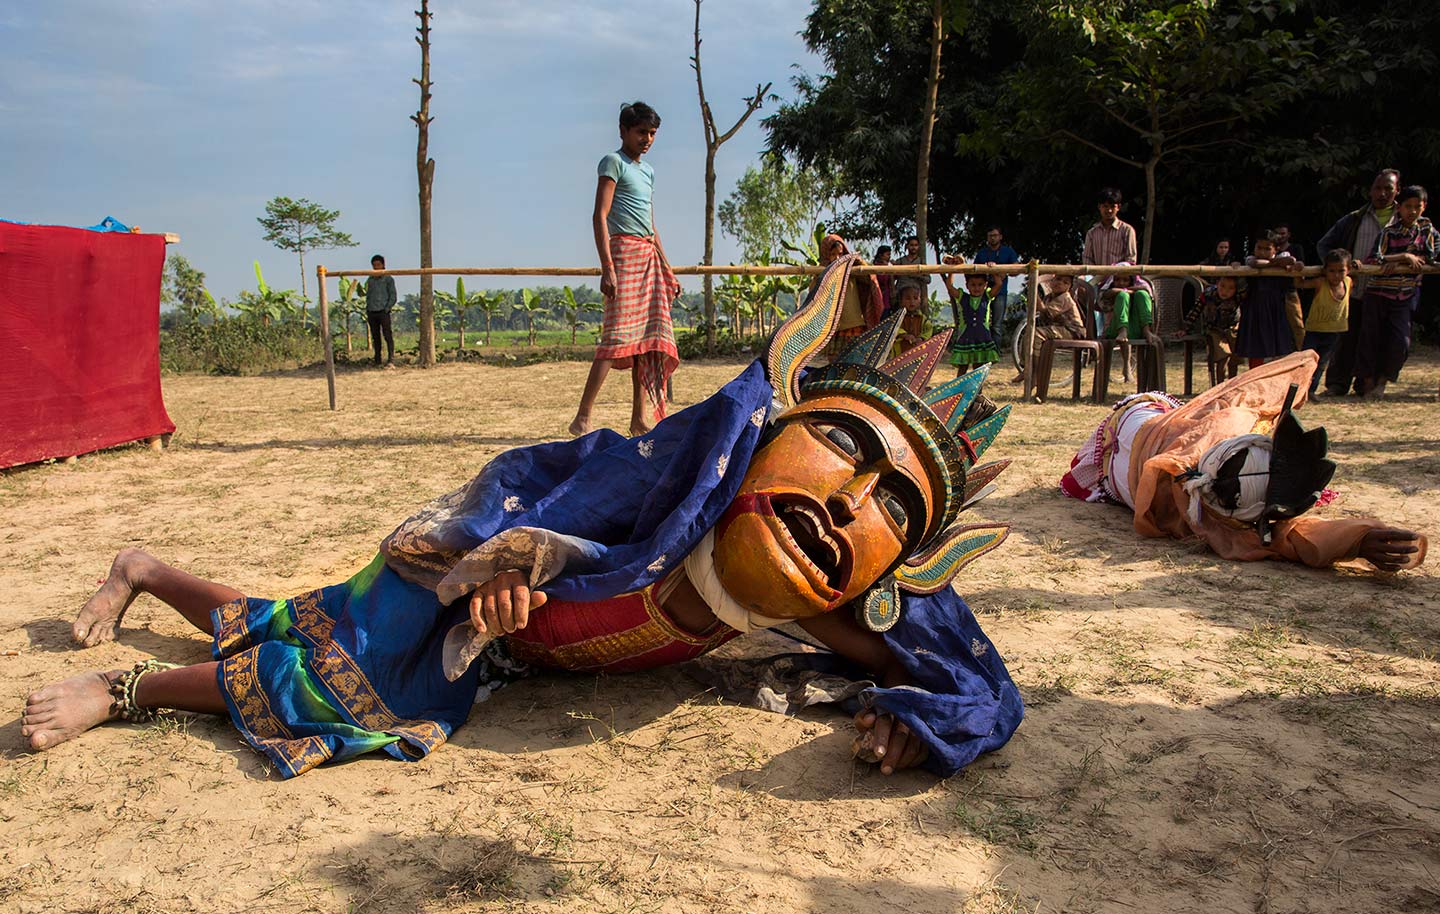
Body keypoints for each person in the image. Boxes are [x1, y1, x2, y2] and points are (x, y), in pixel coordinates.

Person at [22, 257, 1021, 782]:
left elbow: (963, 683)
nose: (847, 509)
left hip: (512, 650)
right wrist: (507, 574)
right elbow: (530, 497)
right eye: (846, 450)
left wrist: (916, 727)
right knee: (344, 674)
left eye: (894, 505)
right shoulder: (655, 493)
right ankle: (131, 688)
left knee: (292, 616)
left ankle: (146, 569)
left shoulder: (829, 605)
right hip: (449, 575)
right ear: (768, 432)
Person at [1059, 351, 1426, 571]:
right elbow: (1291, 535)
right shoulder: (1227, 525)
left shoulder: (1218, 511)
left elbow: (1289, 532)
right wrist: (1356, 540)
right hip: (1138, 427)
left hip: (1138, 426)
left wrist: (1360, 541)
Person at [570, 102, 680, 439]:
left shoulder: (647, 172)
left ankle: (639, 418)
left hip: (649, 257)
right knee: (615, 337)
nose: (647, 139)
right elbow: (599, 216)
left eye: (652, 134)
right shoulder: (613, 163)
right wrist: (608, 268)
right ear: (623, 131)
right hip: (623, 254)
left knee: (647, 342)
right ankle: (582, 417)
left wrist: (667, 266)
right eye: (641, 132)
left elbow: (651, 223)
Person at [1316, 168, 1401, 396]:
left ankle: (1366, 385)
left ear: (1397, 191)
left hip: (1387, 292)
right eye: (1378, 188)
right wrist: (1336, 271)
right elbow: (1324, 245)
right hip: (1353, 290)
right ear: (1370, 191)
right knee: (1346, 340)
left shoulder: (1405, 221)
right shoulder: (1355, 218)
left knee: (1377, 340)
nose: (1382, 193)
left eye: (1388, 189)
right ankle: (1337, 384)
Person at [1355, 185, 1438, 399]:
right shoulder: (1389, 232)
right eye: (1408, 206)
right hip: (1378, 292)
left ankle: (1383, 380)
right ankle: (1367, 382)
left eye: (1417, 207)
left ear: (1424, 207)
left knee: (1400, 342)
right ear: (1399, 208)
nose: (1412, 211)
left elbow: (1431, 257)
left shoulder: (1428, 231)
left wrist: (1405, 259)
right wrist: (1403, 257)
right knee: (1370, 339)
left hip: (1404, 294)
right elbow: (1374, 259)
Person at [806, 233, 883, 357]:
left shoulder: (851, 270)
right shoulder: (821, 273)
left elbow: (870, 279)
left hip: (852, 322)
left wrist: (860, 262)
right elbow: (812, 293)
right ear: (826, 255)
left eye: (840, 254)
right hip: (832, 325)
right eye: (832, 255)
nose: (837, 258)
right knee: (833, 360)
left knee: (854, 358)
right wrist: (820, 275)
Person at [1237, 231, 1303, 368]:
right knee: (1256, 345)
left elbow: (1290, 261)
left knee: (1279, 343)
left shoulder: (1284, 255)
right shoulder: (1250, 259)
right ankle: (1254, 376)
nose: (1261, 252)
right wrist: (1276, 264)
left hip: (1277, 306)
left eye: (1267, 249)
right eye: (1259, 248)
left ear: (1276, 249)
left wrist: (1274, 262)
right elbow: (1256, 263)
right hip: (1255, 306)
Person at [1294, 250, 1351, 398]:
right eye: (1332, 271)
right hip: (1314, 330)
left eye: (1341, 270)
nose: (1336, 275)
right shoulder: (1320, 282)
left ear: (1348, 270)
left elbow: (1357, 272)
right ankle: (1299, 391)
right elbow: (1299, 283)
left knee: (1321, 363)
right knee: (1306, 361)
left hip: (1334, 331)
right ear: (1325, 270)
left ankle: (1311, 390)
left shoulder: (1348, 282)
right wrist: (1298, 270)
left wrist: (1357, 264)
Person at [941, 262, 1000, 375]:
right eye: (973, 285)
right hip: (966, 338)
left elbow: (999, 284)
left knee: (979, 367)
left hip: (982, 337)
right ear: (967, 285)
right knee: (963, 367)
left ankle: (978, 392)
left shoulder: (986, 297)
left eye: (980, 284)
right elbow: (950, 287)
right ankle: (960, 391)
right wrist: (952, 270)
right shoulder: (963, 297)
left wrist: (993, 270)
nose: (976, 288)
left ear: (985, 285)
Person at [1188, 276, 1243, 383]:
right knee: (1222, 356)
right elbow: (1195, 311)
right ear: (1217, 284)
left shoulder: (1238, 296)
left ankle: (1232, 384)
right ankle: (1220, 385)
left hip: (1232, 328)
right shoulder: (1208, 295)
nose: (1225, 291)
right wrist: (1186, 328)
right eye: (1222, 286)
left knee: (1234, 358)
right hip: (1214, 329)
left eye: (1230, 288)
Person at [973, 227, 1021, 344]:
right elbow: (974, 272)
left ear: (1000, 237)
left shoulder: (1008, 251)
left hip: (1000, 292)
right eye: (990, 236)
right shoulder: (982, 253)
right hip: (982, 292)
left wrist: (1002, 271)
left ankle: (996, 352)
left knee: (996, 325)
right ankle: (982, 350)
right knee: (980, 322)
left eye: (995, 235)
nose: (993, 238)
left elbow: (1017, 269)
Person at [1082, 187, 1138, 267]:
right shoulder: (1092, 233)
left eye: (1112, 206)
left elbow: (1131, 260)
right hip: (1096, 277)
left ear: (1118, 207)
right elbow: (1087, 259)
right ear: (1099, 207)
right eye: (1105, 206)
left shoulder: (1127, 230)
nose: (1109, 210)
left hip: (1119, 277)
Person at [1271, 223, 1307, 349]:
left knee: (1297, 324)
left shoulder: (1296, 248)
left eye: (1283, 233)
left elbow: (1300, 264)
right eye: (1277, 233)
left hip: (1289, 290)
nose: (1280, 236)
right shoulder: (1270, 250)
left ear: (1288, 235)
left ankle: (1302, 351)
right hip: (1272, 290)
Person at [882, 282, 931, 357]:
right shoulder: (897, 317)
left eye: (915, 298)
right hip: (900, 352)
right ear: (901, 301)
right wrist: (904, 335)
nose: (912, 302)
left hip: (917, 351)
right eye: (908, 298)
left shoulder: (922, 318)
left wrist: (921, 338)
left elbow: (928, 330)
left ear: (920, 300)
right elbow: (893, 328)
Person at [366, 254, 398, 367]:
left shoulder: (388, 279)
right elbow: (368, 295)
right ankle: (377, 360)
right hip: (372, 311)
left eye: (378, 265)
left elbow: (393, 296)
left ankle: (391, 359)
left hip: (383, 311)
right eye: (374, 265)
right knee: (376, 337)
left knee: (387, 335)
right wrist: (368, 308)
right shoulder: (370, 280)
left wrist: (387, 308)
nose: (376, 267)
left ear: (383, 265)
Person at [873, 244, 895, 313]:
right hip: (877, 296)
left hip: (886, 298)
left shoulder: (889, 267)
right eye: (887, 255)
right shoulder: (874, 267)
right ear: (880, 255)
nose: (889, 257)